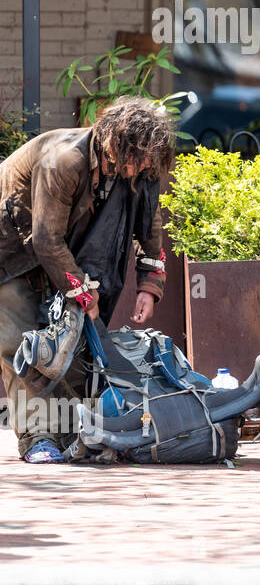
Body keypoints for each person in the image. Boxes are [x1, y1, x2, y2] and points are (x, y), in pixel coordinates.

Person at [0, 96, 174, 463]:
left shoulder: (136, 167)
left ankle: (67, 434)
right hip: (10, 250)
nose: (145, 165)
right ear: (117, 143)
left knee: (70, 342)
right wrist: (82, 292)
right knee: (21, 342)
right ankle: (36, 439)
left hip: (56, 250)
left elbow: (150, 224)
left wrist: (149, 285)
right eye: (140, 156)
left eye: (149, 160)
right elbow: (46, 239)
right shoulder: (64, 160)